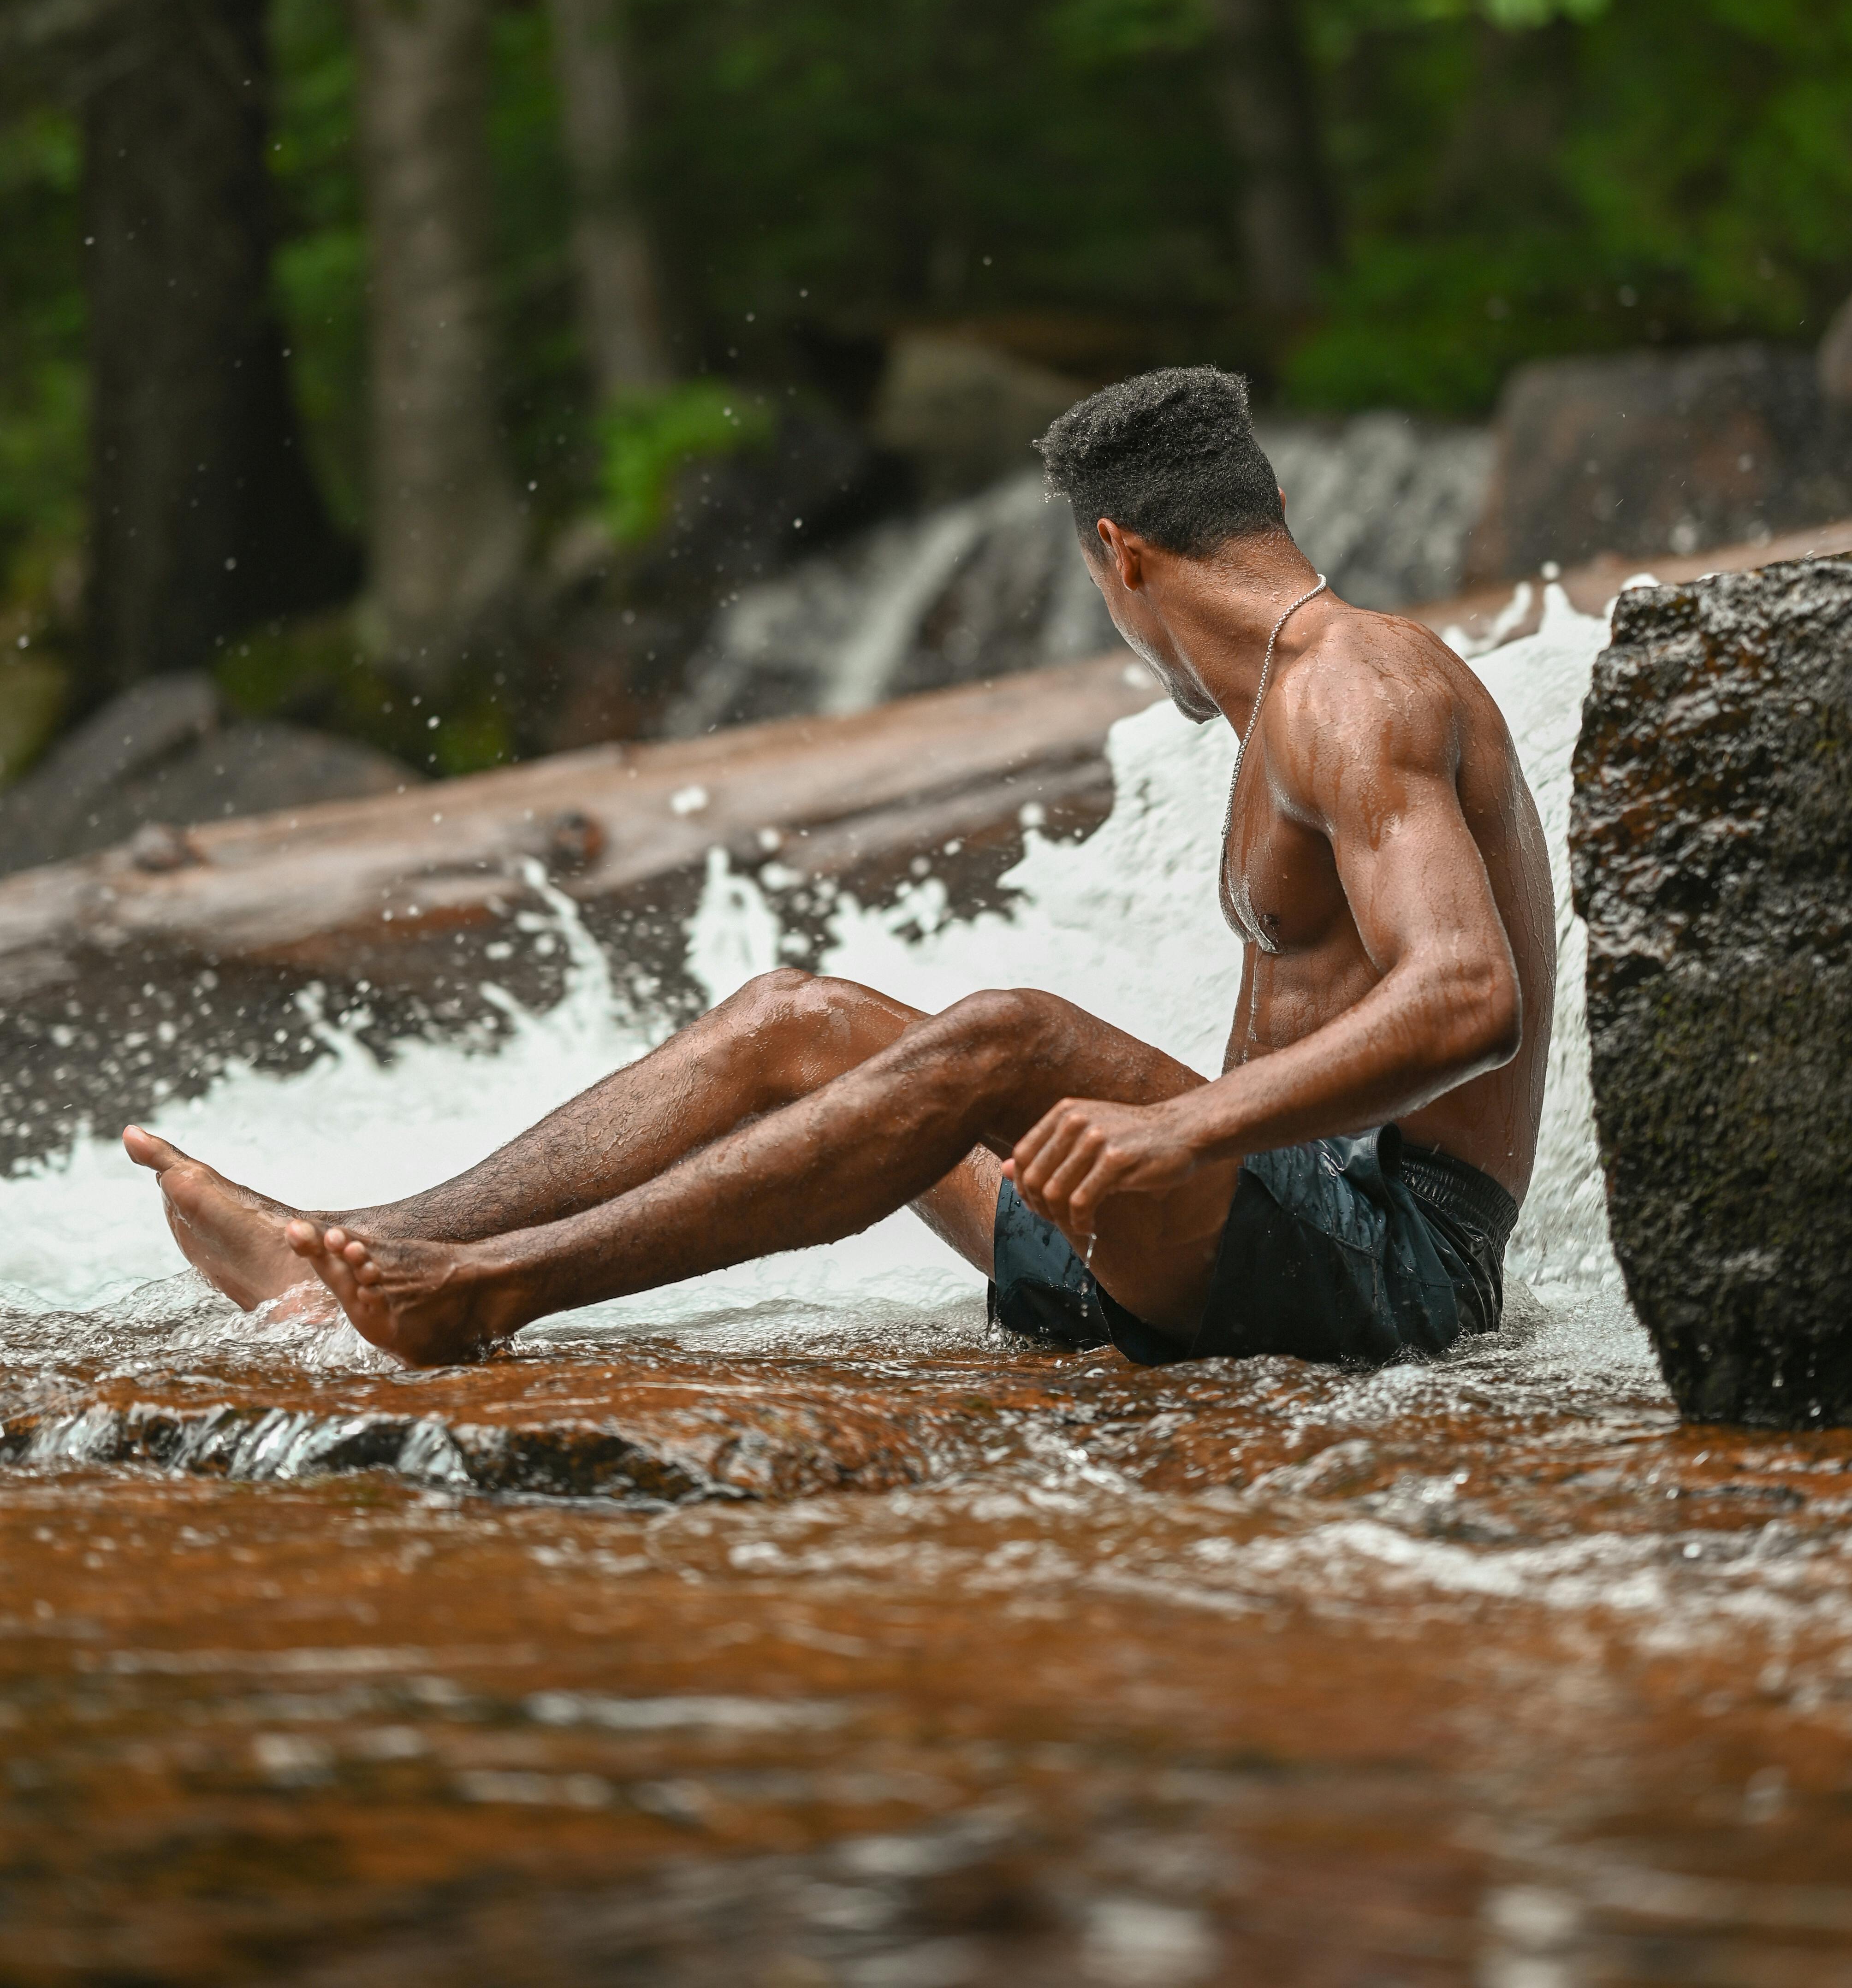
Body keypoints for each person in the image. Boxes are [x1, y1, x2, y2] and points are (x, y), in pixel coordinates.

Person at [123, 364, 1555, 1372]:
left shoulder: (1355, 686)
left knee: (1011, 1036)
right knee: (794, 1016)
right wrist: (1179, 1146)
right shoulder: (1280, 704)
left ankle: (492, 1293)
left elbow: (1465, 996)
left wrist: (1182, 1130)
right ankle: (338, 1258)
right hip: (1227, 1239)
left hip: (1387, 1267)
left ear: (1118, 555)